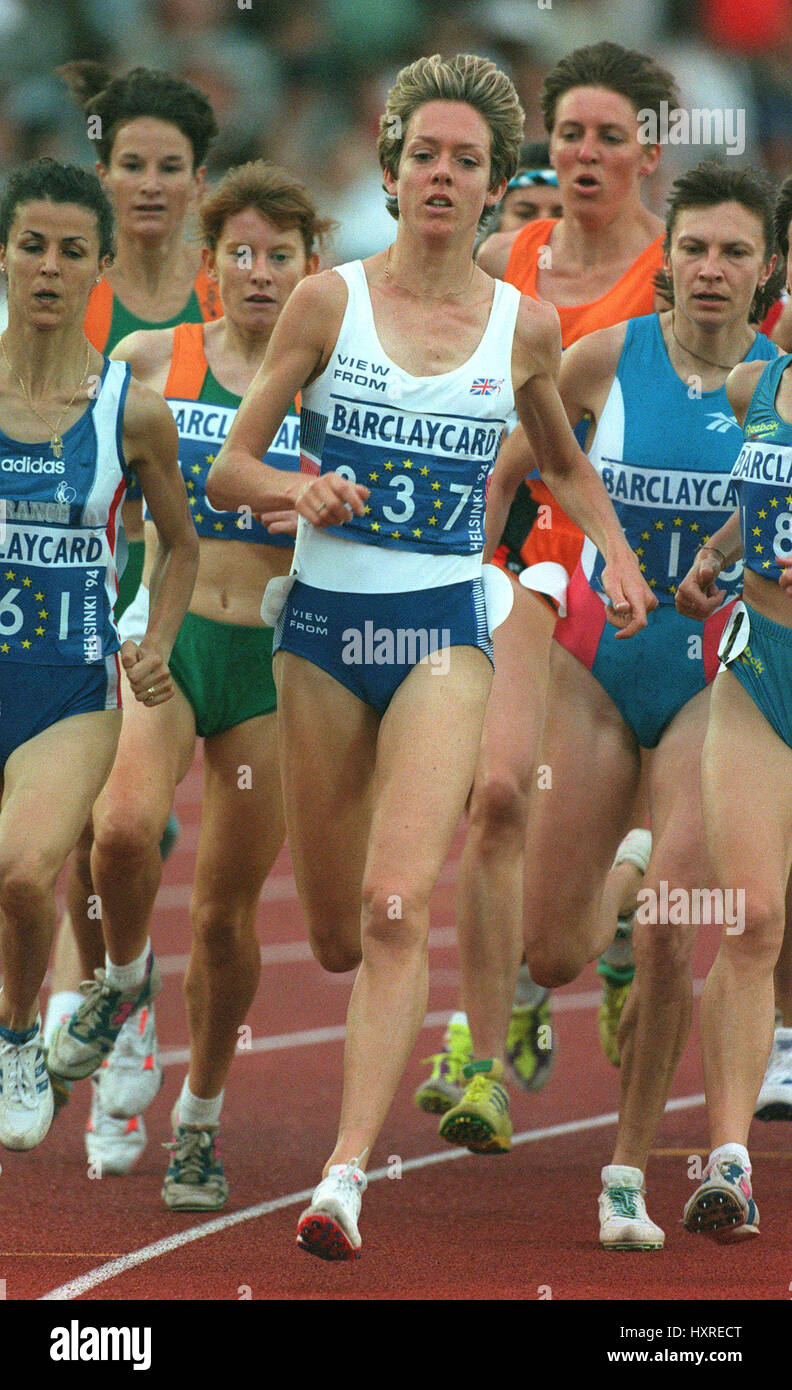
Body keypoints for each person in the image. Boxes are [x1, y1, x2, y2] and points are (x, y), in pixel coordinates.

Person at [206, 52, 653, 1260]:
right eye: (425, 156)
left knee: (403, 906)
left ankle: (342, 1176)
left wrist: (608, 547)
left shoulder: (525, 325)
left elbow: (559, 456)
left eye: (467, 160)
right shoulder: (324, 302)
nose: (444, 176)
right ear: (393, 167)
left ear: (494, 176)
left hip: (443, 630)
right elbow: (228, 467)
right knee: (346, 931)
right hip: (319, 638)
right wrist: (301, 486)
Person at [477, 161, 777, 1247]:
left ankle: (626, 1174)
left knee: (670, 933)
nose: (709, 268)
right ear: (667, 264)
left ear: (766, 271)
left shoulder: (777, 386)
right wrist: (496, 565)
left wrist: (723, 567)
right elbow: (522, 461)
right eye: (692, 247)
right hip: (599, 663)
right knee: (554, 950)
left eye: (734, 251)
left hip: (717, 682)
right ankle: (619, 891)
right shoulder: (610, 354)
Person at [46, 160, 327, 1206]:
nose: (259, 274)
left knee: (224, 917)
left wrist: (315, 510)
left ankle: (199, 1123)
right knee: (117, 832)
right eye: (241, 255)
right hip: (160, 639)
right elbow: (76, 480)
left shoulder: (330, 382)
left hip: (271, 661)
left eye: (281, 257)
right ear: (210, 268)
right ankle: (123, 980)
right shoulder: (148, 360)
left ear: (310, 270)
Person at [418, 43, 675, 1141]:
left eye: (610, 136)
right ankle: (475, 1053)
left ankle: (606, 943)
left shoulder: (679, 270)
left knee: (559, 940)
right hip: (518, 568)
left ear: (650, 154)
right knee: (497, 799)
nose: (583, 153)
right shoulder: (500, 252)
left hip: (634, 582)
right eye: (569, 132)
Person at [43, 62, 221, 1169]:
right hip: (82, 590)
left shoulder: (240, 285)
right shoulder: (76, 295)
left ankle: (127, 997)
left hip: (209, 597)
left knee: (133, 832)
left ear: (200, 181)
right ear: (103, 174)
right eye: (130, 166)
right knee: (88, 837)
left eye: (170, 168)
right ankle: (127, 1001)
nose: (149, 185)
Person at [0, 157, 197, 1150]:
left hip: (72, 688)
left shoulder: (131, 407)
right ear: (3, 256)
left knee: (28, 871)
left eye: (71, 250)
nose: (48, 266)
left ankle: (20, 1032)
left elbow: (182, 544)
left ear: (102, 268)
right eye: (31, 245)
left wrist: (152, 640)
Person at [677, 172, 792, 1243]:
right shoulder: (761, 383)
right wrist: (714, 559)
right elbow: (755, 496)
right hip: (762, 668)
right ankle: (729, 1159)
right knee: (750, 915)